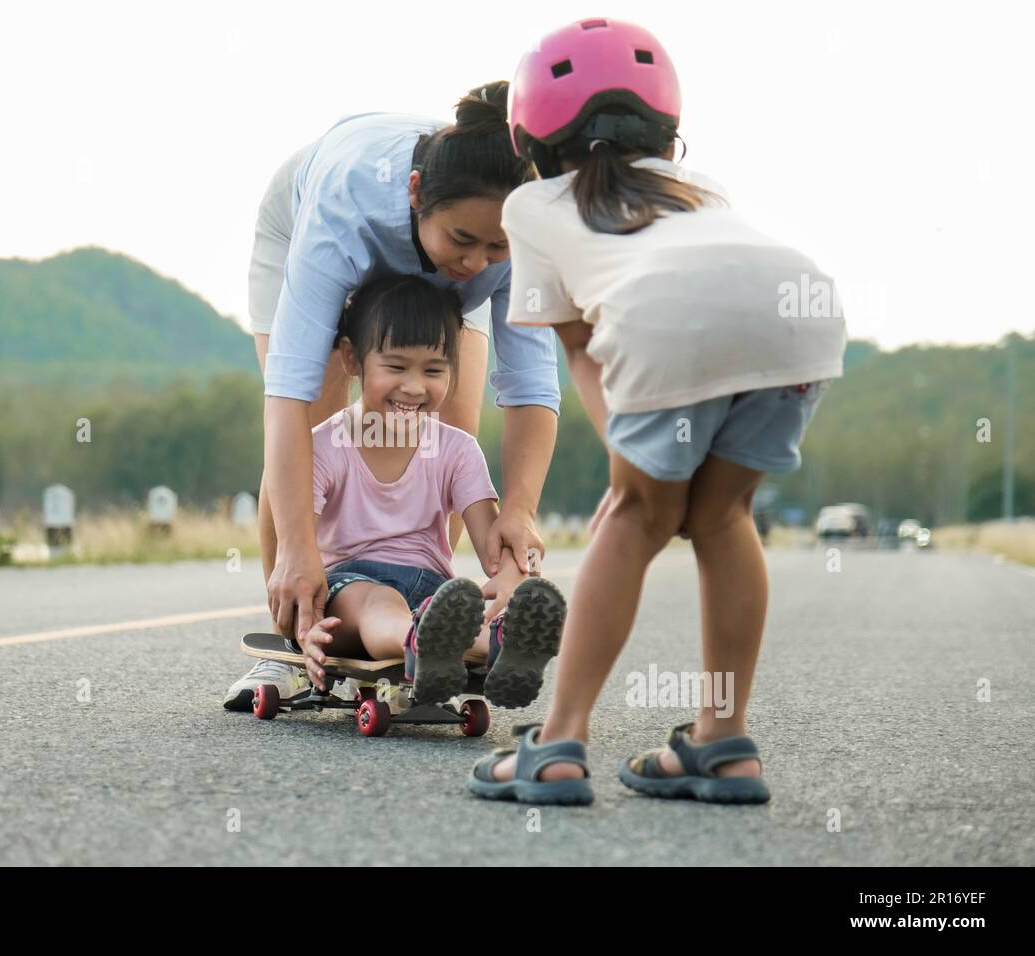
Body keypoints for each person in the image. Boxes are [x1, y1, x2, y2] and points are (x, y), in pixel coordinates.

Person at [468, 18, 847, 804]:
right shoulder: (700, 187)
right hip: (799, 311)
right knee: (723, 516)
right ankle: (723, 741)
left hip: (667, 318)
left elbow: (577, 345)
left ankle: (560, 743)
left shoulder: (534, 206)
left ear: (531, 136)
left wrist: (636, 480)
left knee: (631, 518)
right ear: (665, 125)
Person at [225, 84, 563, 711]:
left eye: (497, 249)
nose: (476, 262)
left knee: (449, 434)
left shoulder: (510, 238)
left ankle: (438, 636)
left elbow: (532, 386)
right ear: (415, 194)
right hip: (309, 226)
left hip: (441, 230)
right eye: (463, 241)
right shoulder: (343, 212)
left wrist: (517, 516)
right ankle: (296, 631)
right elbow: (288, 397)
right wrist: (300, 550)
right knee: (322, 431)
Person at [294, 274, 566, 708]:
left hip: (433, 595)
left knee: (458, 606)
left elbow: (492, 546)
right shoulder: (324, 446)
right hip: (346, 588)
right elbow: (300, 548)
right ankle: (427, 643)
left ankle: (499, 645)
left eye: (434, 370)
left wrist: (513, 578)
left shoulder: (457, 450)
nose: (415, 387)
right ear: (352, 359)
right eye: (396, 367)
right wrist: (302, 628)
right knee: (378, 601)